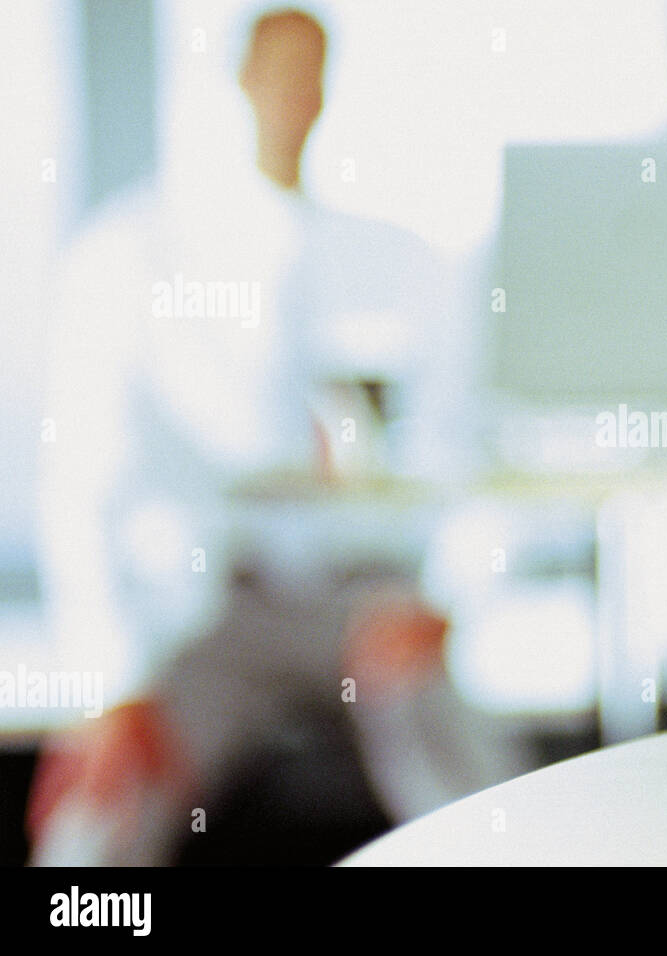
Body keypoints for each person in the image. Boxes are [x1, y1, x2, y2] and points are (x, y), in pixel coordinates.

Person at [28, 8, 520, 865]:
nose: (298, 91)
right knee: (95, 831)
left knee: (492, 809)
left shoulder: (400, 262)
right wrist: (107, 684)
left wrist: (444, 598)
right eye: (279, 69)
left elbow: (463, 450)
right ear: (239, 80)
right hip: (208, 615)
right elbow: (83, 479)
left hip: (371, 605)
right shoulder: (130, 254)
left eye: (314, 69)